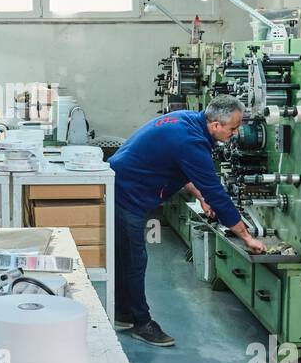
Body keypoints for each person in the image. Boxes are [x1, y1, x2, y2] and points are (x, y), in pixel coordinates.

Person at [109, 95, 264, 347]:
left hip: (123, 185)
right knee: (134, 259)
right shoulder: (190, 140)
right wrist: (246, 236)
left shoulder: (188, 121)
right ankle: (141, 323)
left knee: (125, 256)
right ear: (215, 125)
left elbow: (183, 169)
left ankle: (123, 313)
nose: (236, 134)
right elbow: (217, 192)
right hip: (126, 194)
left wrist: (201, 196)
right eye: (233, 128)